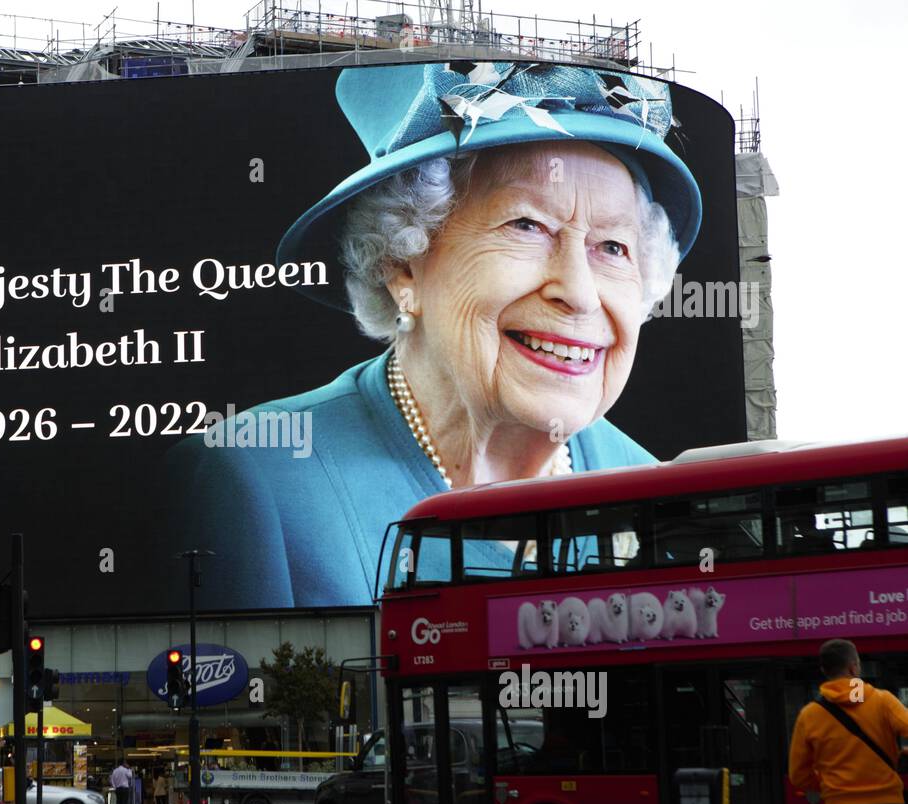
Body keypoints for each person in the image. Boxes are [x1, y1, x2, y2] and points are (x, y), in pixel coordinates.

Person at [164, 61, 702, 609]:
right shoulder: (258, 481)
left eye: (613, 247)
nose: (581, 293)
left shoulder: (654, 490)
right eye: (527, 226)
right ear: (403, 264)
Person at [788, 639, 908, 804]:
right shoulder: (882, 701)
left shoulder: (810, 715)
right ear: (854, 667)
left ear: (824, 670)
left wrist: (827, 784)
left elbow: (798, 775)